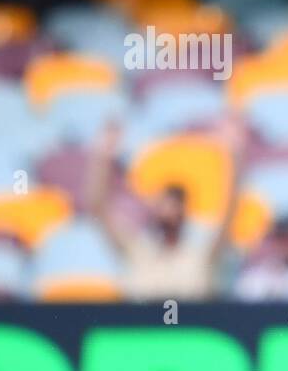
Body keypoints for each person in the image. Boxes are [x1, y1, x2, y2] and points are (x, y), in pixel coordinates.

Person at [86, 117, 243, 301]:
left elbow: (229, 217)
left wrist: (235, 158)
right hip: (144, 329)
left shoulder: (201, 256)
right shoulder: (137, 251)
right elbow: (97, 209)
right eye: (162, 204)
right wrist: (102, 158)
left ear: (185, 212)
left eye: (174, 204)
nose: (168, 211)